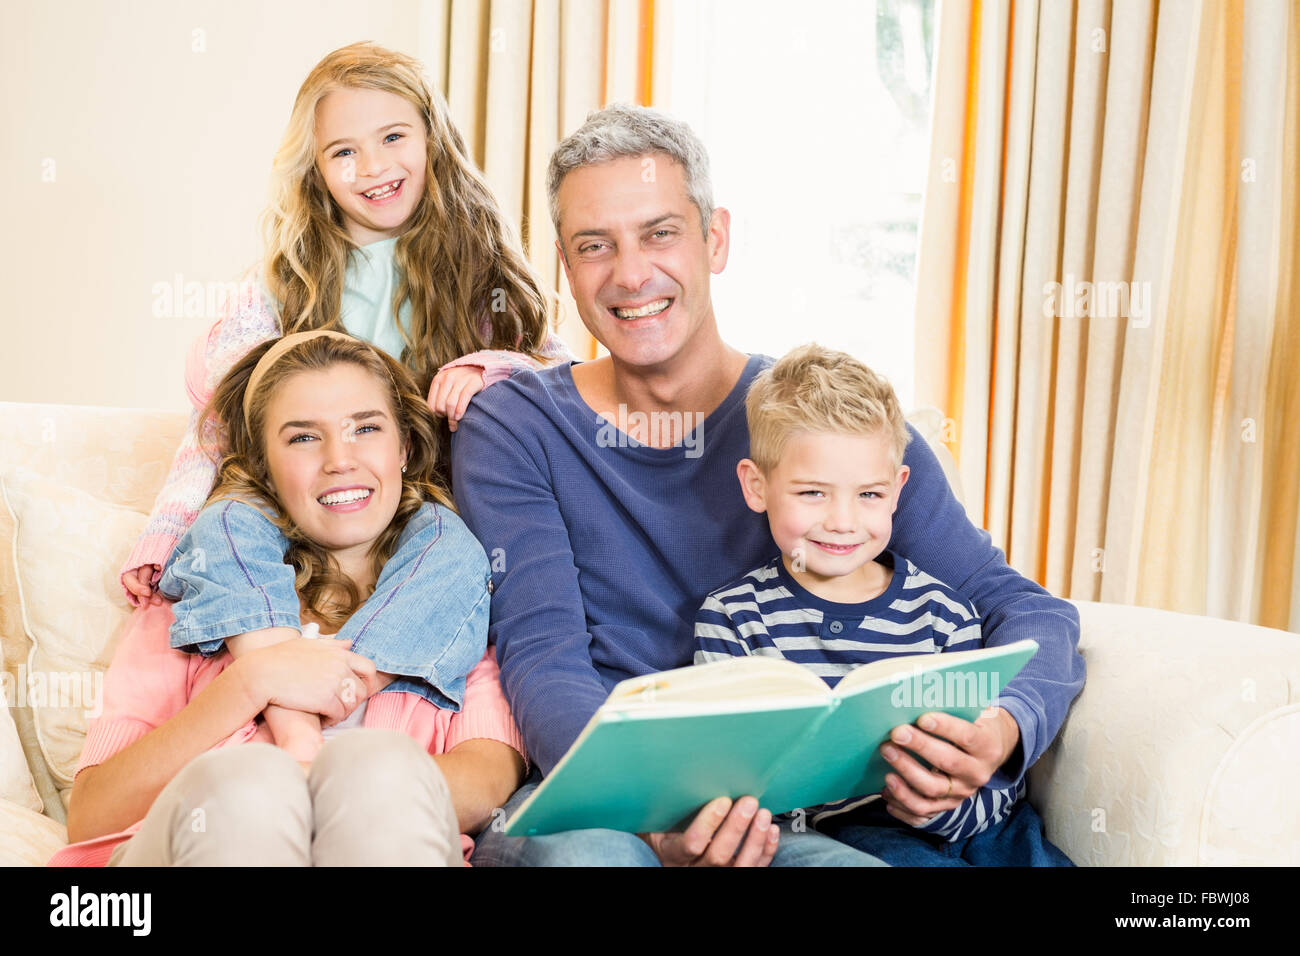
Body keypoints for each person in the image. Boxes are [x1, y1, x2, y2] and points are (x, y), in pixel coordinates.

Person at [450, 103, 1086, 867]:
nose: (630, 273)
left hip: (777, 821)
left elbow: (1021, 607)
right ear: (565, 264)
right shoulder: (514, 426)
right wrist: (656, 820)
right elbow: (544, 658)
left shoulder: (822, 424)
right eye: (595, 246)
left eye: (660, 233)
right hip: (602, 801)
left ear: (714, 239)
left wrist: (1002, 729)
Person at [117, 42, 570, 764]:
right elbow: (217, 419)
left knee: (457, 553)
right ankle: (292, 717)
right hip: (297, 491)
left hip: (415, 497)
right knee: (227, 527)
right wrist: (167, 529)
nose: (375, 167)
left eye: (393, 138)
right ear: (317, 172)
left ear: (432, 140)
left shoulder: (476, 261)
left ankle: (344, 683)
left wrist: (495, 366)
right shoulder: (284, 278)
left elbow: (559, 378)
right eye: (344, 153)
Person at [53, 331, 526, 866]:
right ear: (264, 468)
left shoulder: (457, 607)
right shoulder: (190, 602)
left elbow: (489, 782)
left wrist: (335, 795)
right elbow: (90, 816)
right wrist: (254, 681)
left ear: (406, 449)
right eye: (303, 438)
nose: (339, 460)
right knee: (248, 784)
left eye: (365, 428)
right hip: (197, 844)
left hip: (381, 841)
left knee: (381, 768)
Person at [691, 343, 1073, 866]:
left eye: (868, 495)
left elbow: (994, 787)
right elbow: (726, 775)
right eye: (812, 494)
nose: (843, 521)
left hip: (970, 830)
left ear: (898, 491)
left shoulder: (946, 616)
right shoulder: (734, 618)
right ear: (756, 486)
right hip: (845, 840)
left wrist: (938, 807)